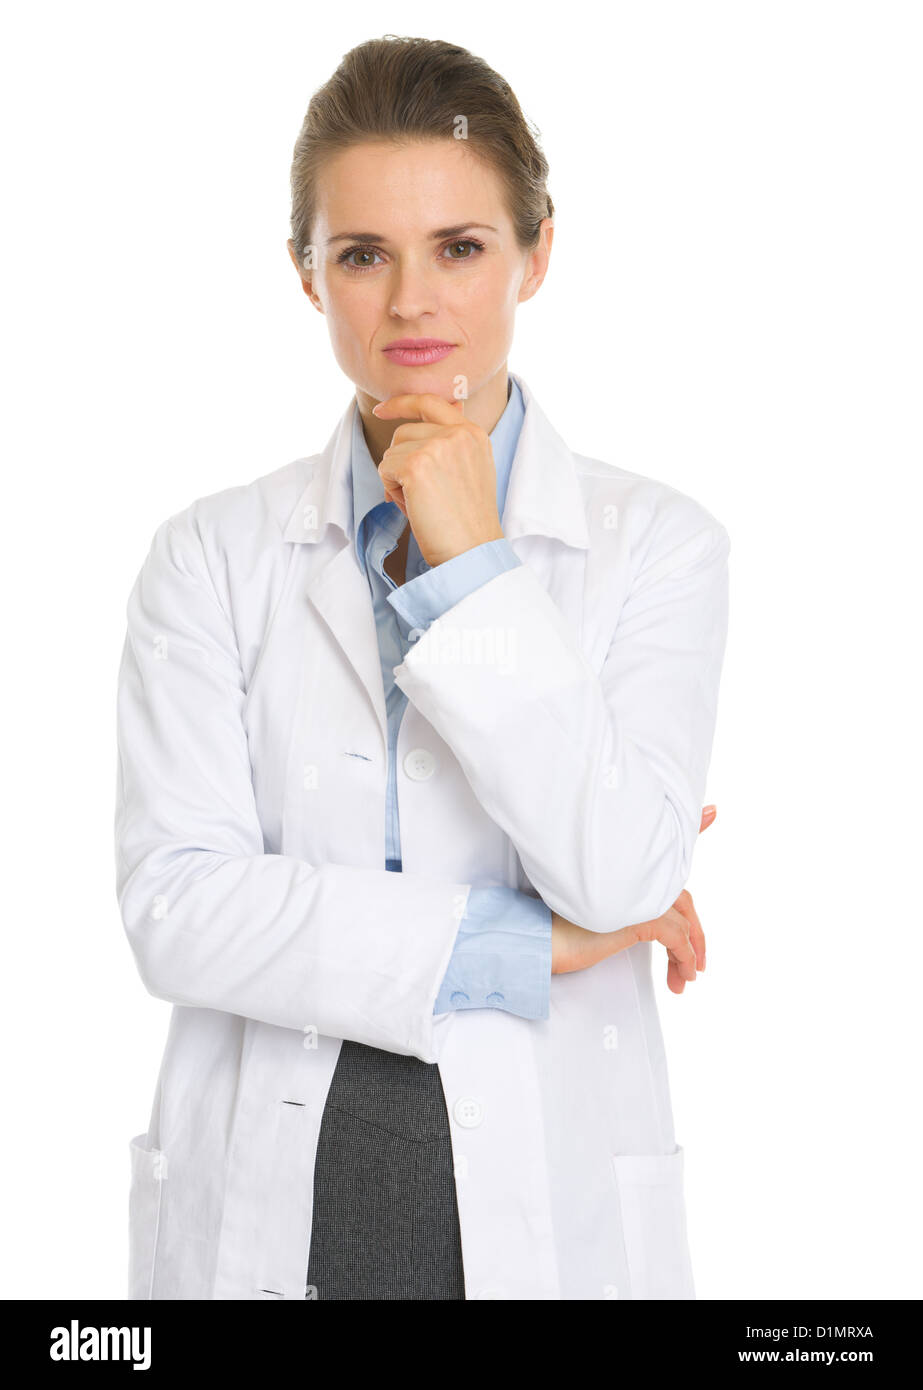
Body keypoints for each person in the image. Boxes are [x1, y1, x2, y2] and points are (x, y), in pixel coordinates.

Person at [115, 35, 730, 1301]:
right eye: (360, 255)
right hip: (275, 1202)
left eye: (459, 247)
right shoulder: (210, 556)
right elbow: (178, 910)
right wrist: (524, 943)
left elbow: (620, 868)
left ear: (535, 251)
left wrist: (470, 558)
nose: (410, 304)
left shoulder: (659, 545)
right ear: (305, 273)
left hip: (544, 1211)